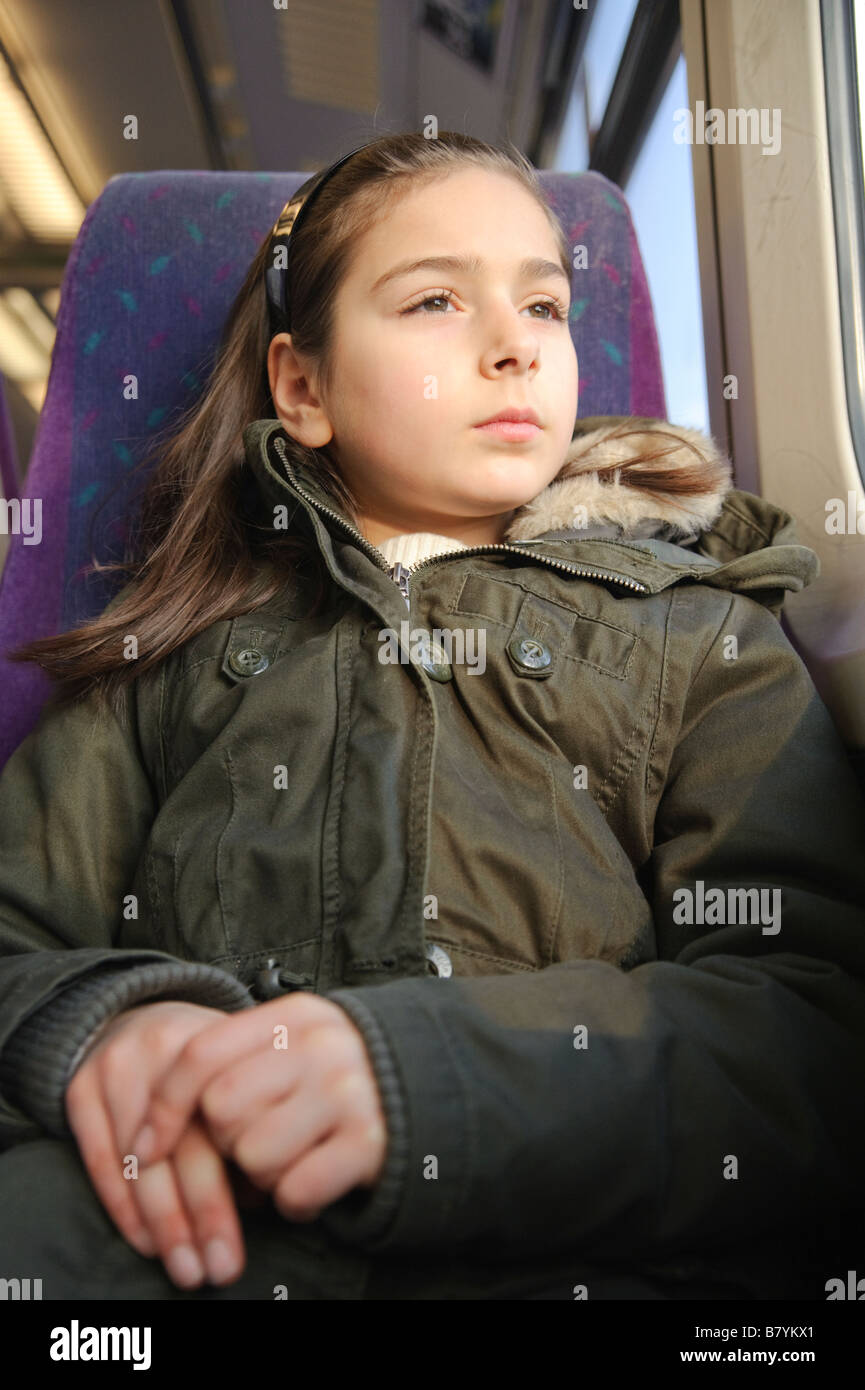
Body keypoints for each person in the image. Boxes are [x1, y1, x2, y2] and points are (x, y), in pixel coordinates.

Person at [0, 130, 863, 1303]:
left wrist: (420, 1077)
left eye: (546, 305)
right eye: (437, 300)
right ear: (302, 387)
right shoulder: (174, 664)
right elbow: (16, 936)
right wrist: (100, 1027)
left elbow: (808, 1020)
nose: (515, 346)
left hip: (583, 1235)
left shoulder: (701, 634)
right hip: (197, 1235)